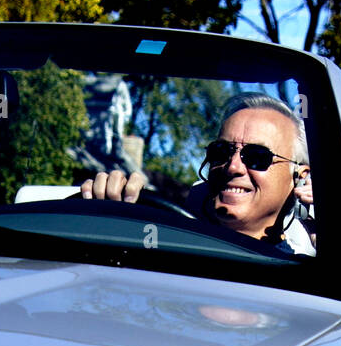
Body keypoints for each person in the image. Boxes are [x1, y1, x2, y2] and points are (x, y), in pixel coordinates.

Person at [79, 93, 314, 254]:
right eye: (221, 151)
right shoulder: (156, 240)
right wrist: (107, 215)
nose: (232, 167)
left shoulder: (304, 277)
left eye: (257, 157)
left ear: (299, 177)